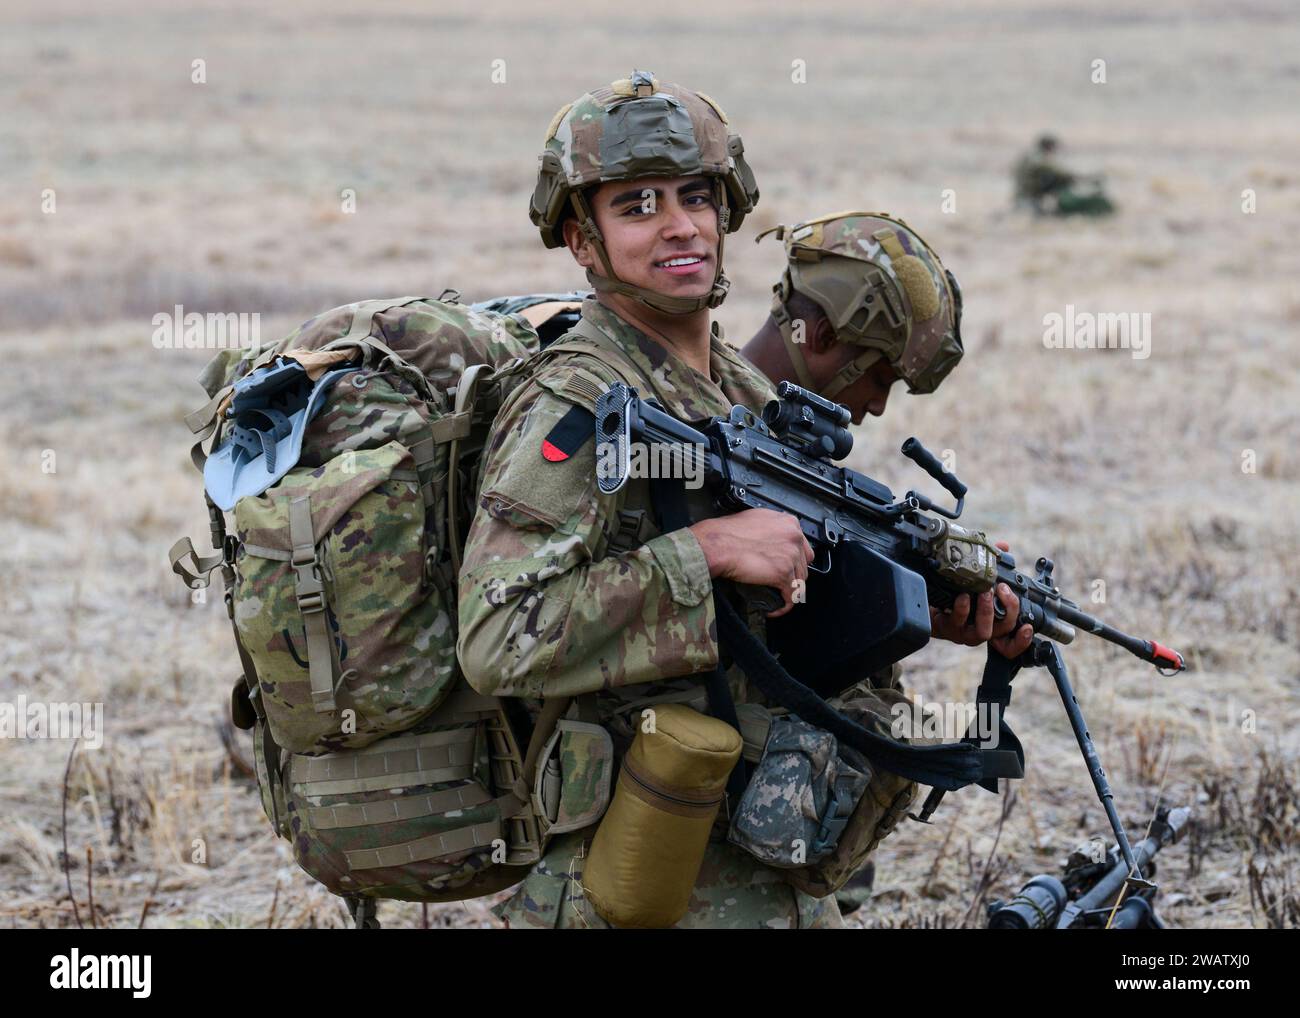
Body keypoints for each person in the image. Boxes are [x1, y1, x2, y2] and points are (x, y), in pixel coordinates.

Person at [1012, 134, 1115, 216]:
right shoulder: (1039, 159)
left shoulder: (1029, 156)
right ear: (1049, 147)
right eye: (1054, 148)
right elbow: (1062, 173)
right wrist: (1088, 178)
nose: (1055, 151)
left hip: (1023, 196)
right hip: (1029, 197)